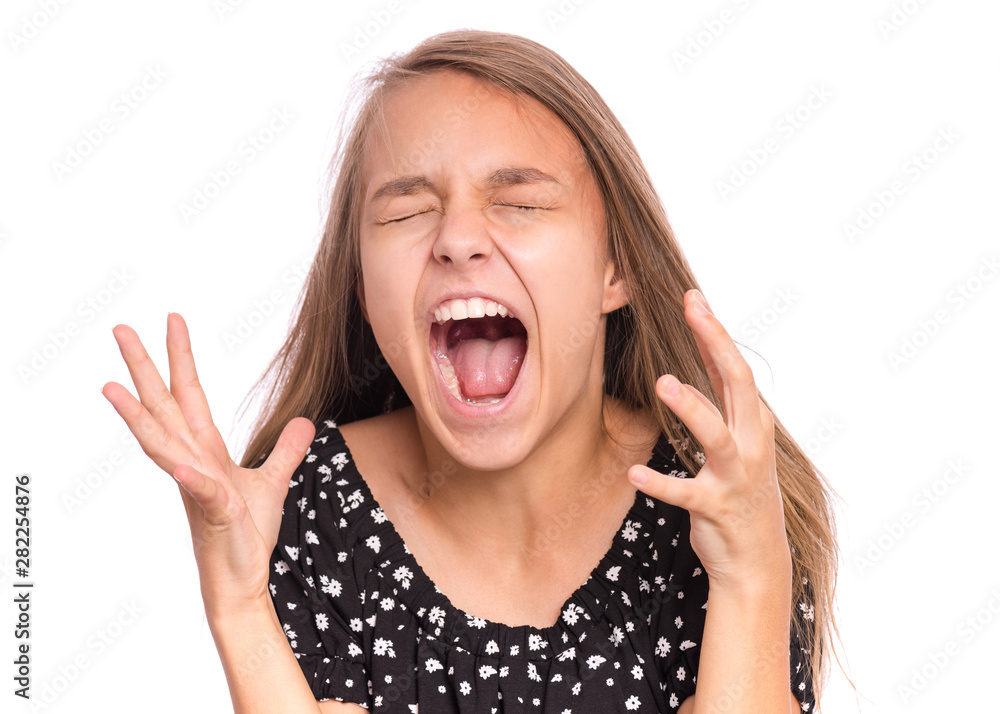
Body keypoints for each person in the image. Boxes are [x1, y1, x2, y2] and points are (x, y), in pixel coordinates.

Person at [103, 30, 839, 713]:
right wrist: (238, 607)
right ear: (362, 289)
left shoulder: (721, 503)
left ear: (616, 266)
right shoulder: (300, 516)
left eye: (518, 202)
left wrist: (752, 576)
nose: (457, 238)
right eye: (405, 213)